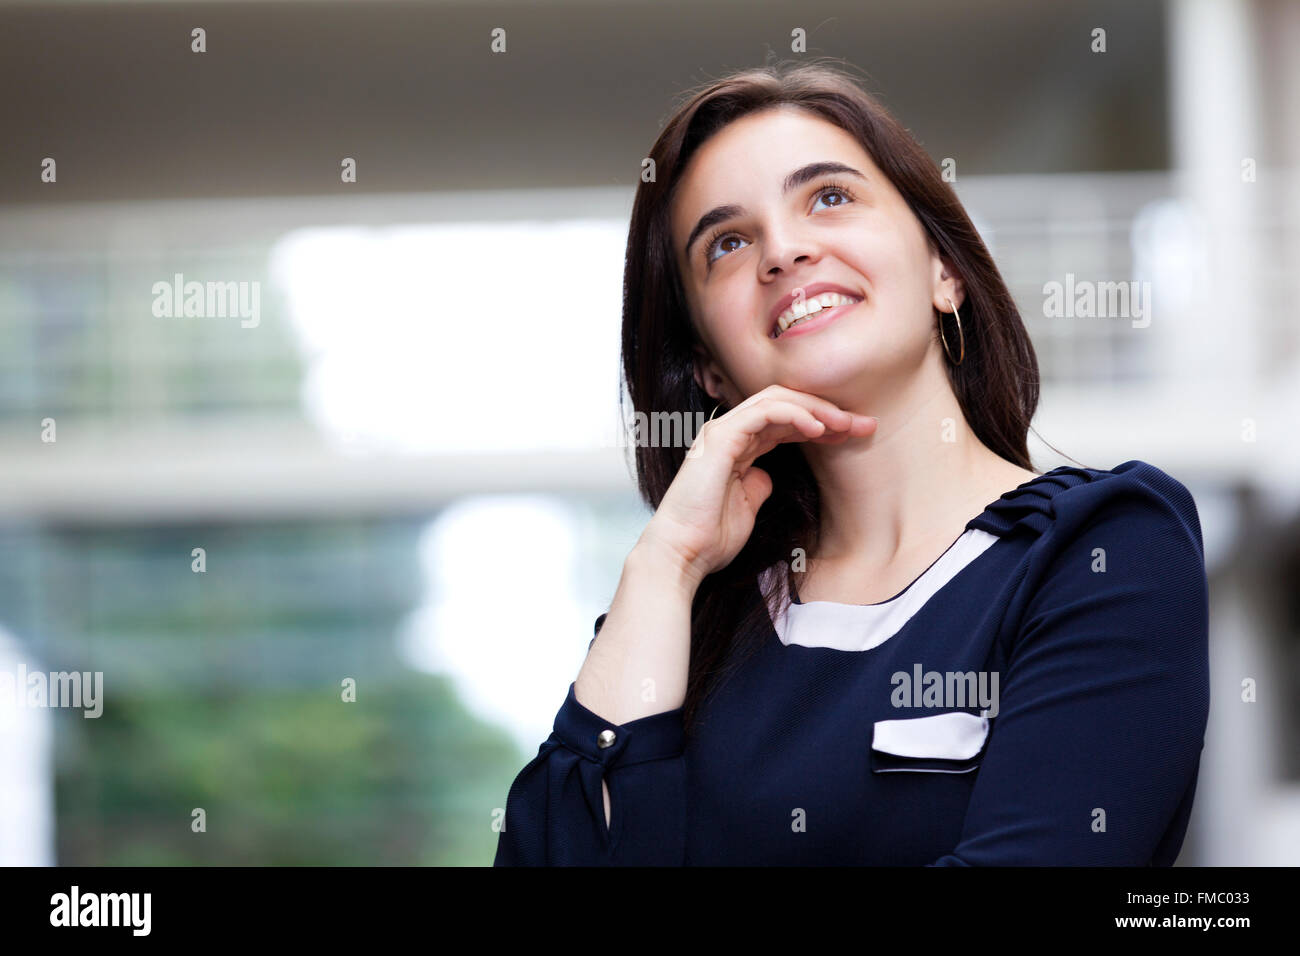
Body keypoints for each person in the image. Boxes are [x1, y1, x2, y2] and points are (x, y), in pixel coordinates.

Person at [494, 60, 1210, 866]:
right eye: (727, 243)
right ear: (710, 371)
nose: (783, 250)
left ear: (946, 270)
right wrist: (667, 559)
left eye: (828, 197)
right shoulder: (683, 621)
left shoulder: (1102, 549)